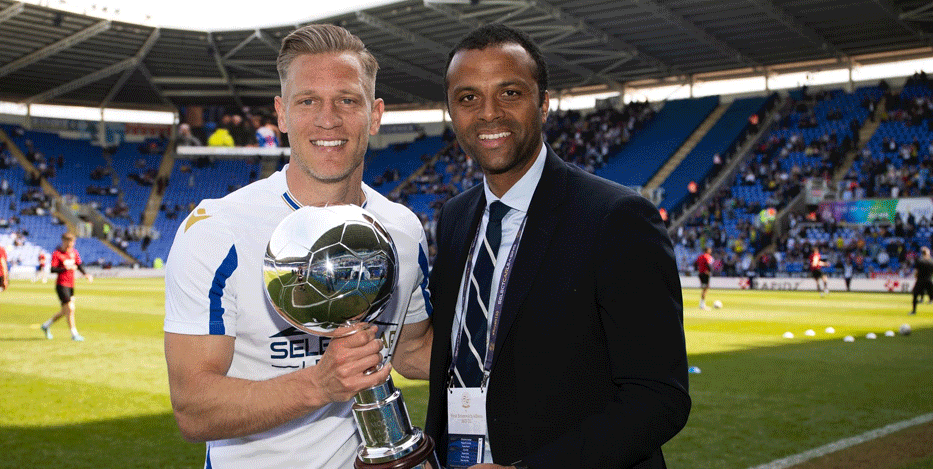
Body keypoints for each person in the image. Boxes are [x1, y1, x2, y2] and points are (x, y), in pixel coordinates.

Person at [163, 24, 433, 468]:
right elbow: (193, 409)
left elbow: (412, 351)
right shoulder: (217, 229)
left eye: (348, 100)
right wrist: (319, 385)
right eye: (308, 101)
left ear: (375, 114)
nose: (328, 119)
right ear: (282, 114)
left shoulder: (402, 229)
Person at [424, 24, 689, 469]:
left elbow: (658, 397)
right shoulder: (454, 217)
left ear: (544, 103)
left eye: (510, 93)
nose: (489, 113)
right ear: (451, 112)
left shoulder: (616, 218)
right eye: (468, 98)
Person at [41, 232, 92, 341]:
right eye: (69, 242)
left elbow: (78, 265)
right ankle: (74, 334)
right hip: (61, 284)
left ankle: (46, 325)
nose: (71, 244)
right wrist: (65, 268)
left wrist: (86, 274)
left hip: (71, 284)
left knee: (66, 311)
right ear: (64, 241)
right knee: (70, 308)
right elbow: (52, 269)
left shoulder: (74, 253)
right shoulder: (57, 254)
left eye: (72, 242)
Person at [911, 247, 933, 315]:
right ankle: (930, 300)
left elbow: (916, 271)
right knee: (931, 295)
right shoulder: (931, 261)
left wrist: (916, 278)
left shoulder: (919, 261)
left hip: (920, 280)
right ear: (928, 253)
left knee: (915, 295)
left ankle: (913, 311)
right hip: (929, 280)